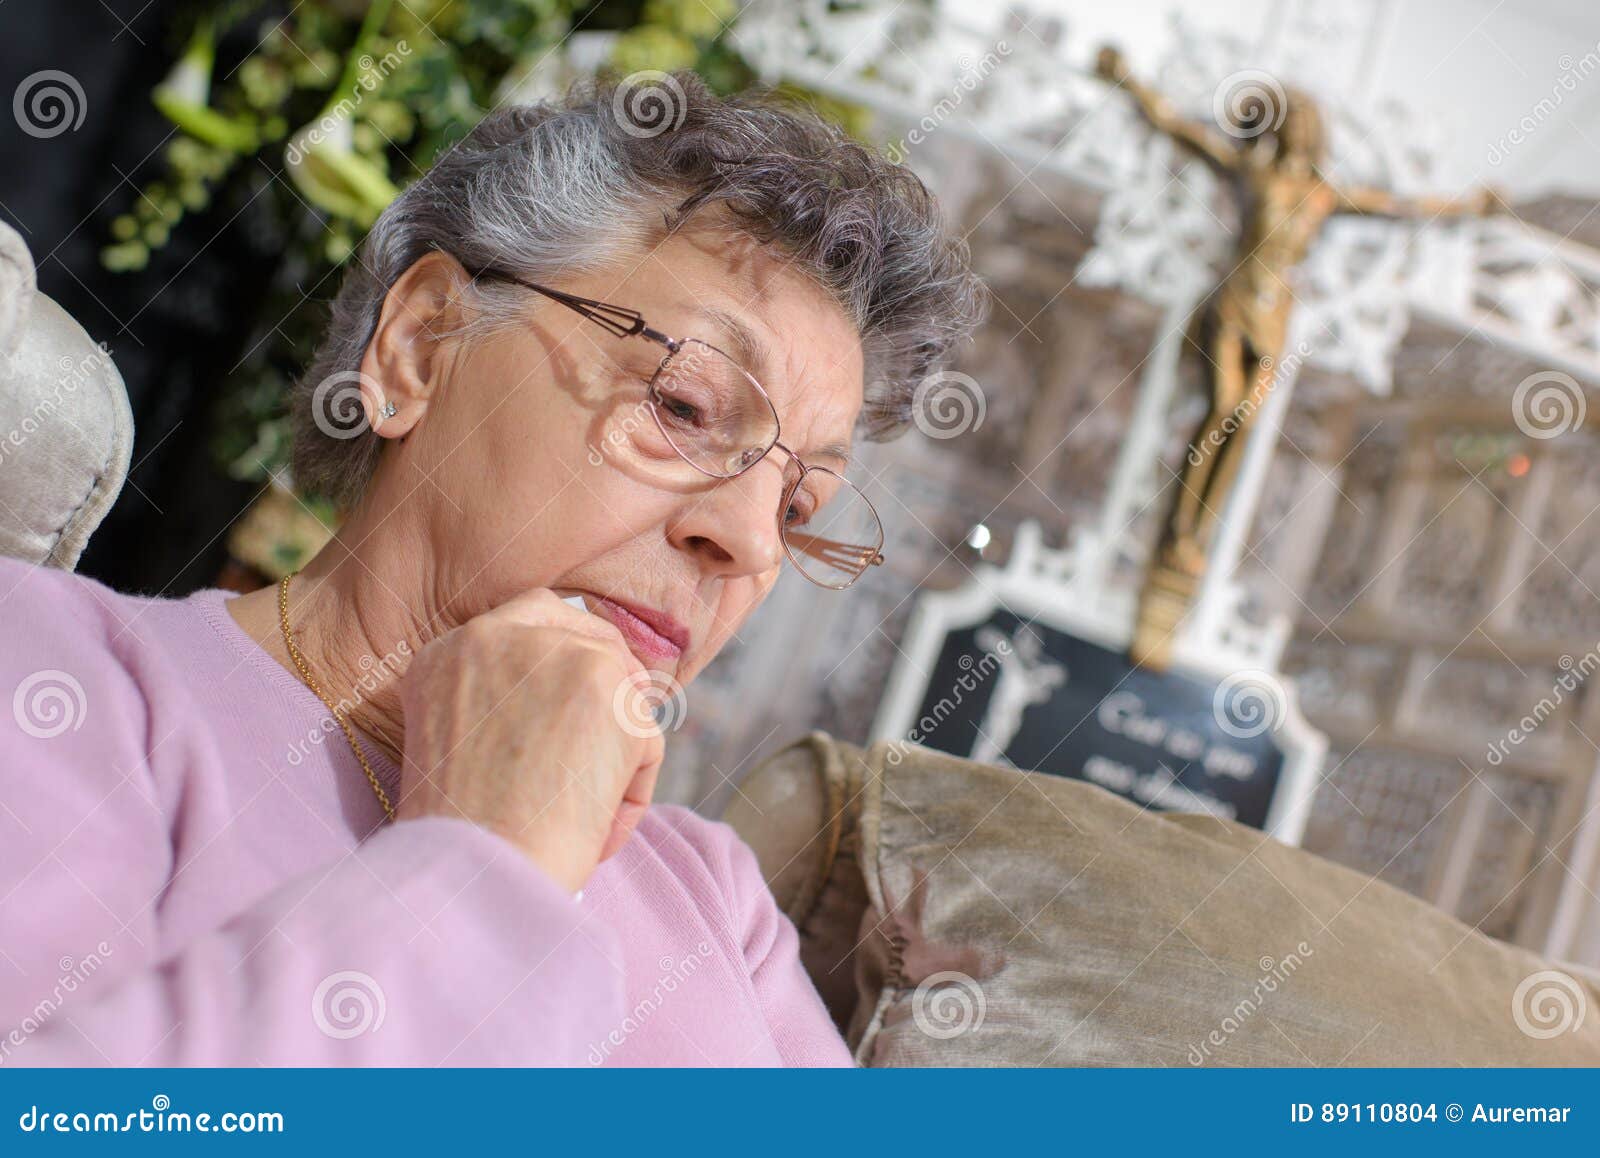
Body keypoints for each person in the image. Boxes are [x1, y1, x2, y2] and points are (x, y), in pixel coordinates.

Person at [0, 74, 984, 1065]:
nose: (751, 541)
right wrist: (488, 873)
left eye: (797, 504)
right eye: (684, 408)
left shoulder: (711, 897)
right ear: (420, 347)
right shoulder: (55, 678)